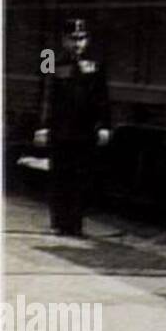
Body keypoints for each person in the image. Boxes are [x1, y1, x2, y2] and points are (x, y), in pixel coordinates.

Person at [34, 18, 110, 236]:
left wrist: (104, 126)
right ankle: (59, 223)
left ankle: (76, 225)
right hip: (60, 130)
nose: (78, 43)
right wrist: (43, 126)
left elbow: (102, 98)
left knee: (80, 179)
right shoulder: (51, 61)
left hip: (83, 131)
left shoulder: (94, 65)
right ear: (64, 40)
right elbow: (46, 96)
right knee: (59, 177)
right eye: (73, 39)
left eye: (82, 38)